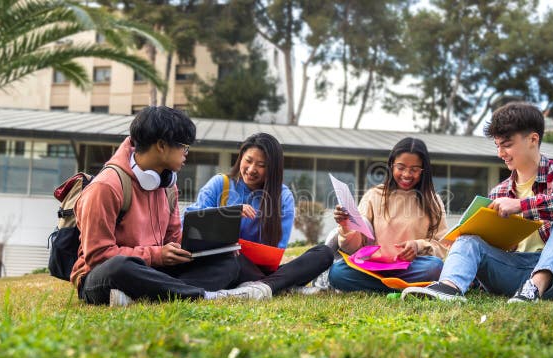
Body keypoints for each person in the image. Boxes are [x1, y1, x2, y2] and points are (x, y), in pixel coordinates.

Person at [402, 103, 553, 303]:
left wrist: (522, 205)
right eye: (498, 146)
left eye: (507, 145)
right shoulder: (499, 192)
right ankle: (449, 288)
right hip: (516, 273)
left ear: (533, 139)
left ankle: (534, 288)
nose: (501, 154)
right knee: (469, 238)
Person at [71, 106, 254, 306]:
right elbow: (98, 256)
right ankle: (198, 294)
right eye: (184, 147)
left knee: (228, 263)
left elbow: (174, 239)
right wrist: (156, 255)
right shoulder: (106, 187)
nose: (186, 154)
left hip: (153, 270)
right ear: (161, 145)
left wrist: (213, 248)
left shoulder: (168, 186)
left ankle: (147, 295)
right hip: (101, 276)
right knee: (120, 267)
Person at [185, 133, 334, 299]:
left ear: (272, 168)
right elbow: (190, 223)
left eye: (261, 165)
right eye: (248, 161)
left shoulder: (282, 197)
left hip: (260, 269)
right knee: (233, 259)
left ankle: (258, 285)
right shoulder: (220, 184)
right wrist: (228, 214)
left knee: (324, 253)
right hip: (223, 263)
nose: (251, 169)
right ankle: (278, 285)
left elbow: (276, 250)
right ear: (240, 158)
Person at [327, 137, 450, 292]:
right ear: (391, 165)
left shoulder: (433, 201)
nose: (406, 174)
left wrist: (417, 246)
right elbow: (355, 247)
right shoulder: (374, 195)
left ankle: (381, 287)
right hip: (373, 267)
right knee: (337, 273)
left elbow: (442, 245)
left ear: (423, 170)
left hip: (410, 267)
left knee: (435, 267)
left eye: (414, 169)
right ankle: (399, 287)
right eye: (401, 167)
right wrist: (346, 227)